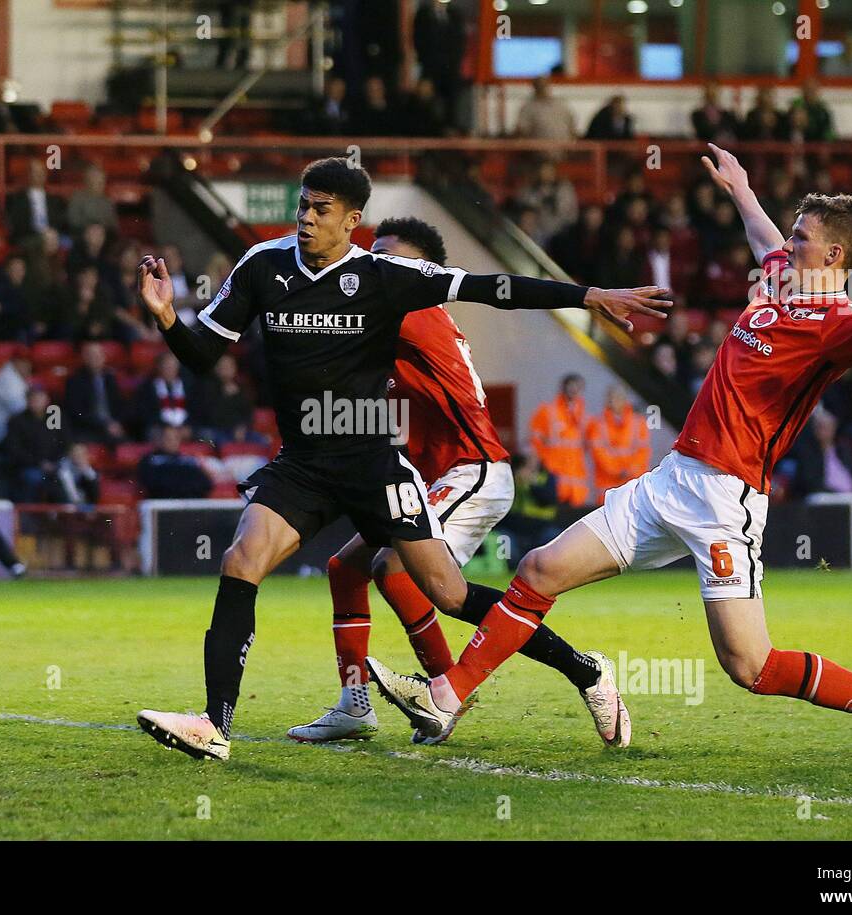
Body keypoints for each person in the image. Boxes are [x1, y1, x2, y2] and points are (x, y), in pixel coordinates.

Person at [368, 143, 852, 761]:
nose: (786, 244)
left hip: (725, 503)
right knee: (539, 570)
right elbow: (762, 232)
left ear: (834, 255)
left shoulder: (840, 324)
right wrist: (738, 186)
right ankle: (446, 699)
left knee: (751, 667)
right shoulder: (783, 277)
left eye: (801, 236)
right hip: (671, 479)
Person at [133, 156, 669, 760]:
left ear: (352, 221)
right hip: (304, 462)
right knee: (241, 560)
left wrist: (588, 295)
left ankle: (578, 671)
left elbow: (495, 288)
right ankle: (216, 723)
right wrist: (167, 319)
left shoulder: (386, 278)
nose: (305, 219)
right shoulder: (264, 266)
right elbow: (203, 354)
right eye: (302, 205)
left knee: (446, 592)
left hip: (373, 463)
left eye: (320, 210)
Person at [288, 218, 622, 746]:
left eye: (391, 260)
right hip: (423, 476)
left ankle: (568, 674)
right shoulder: (396, 318)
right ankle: (357, 706)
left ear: (423, 273)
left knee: (405, 575)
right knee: (346, 567)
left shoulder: (414, 312)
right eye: (375, 257)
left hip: (472, 470)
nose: (378, 269)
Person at [529, 373, 591, 506]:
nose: (574, 390)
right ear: (563, 387)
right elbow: (536, 441)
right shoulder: (547, 411)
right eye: (571, 386)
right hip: (554, 476)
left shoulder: (586, 417)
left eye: (578, 387)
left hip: (576, 483)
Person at [586, 384, 650, 503]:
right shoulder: (597, 424)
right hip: (607, 484)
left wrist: (629, 470)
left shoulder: (638, 423)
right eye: (610, 398)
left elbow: (643, 452)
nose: (612, 401)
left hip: (632, 482)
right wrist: (617, 470)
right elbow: (598, 453)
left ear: (624, 400)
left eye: (616, 397)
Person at [5, 386, 70, 502]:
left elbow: (64, 442)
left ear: (47, 400)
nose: (37, 402)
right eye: (33, 399)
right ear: (27, 401)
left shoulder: (54, 417)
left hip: (55, 463)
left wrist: (54, 462)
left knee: (68, 474)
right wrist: (40, 463)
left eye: (40, 398)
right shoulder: (18, 421)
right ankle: (30, 516)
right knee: (33, 478)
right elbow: (15, 451)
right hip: (30, 466)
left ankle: (69, 512)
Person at [64, 342, 128, 442]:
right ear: (84, 358)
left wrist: (117, 423)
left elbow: (119, 405)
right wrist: (103, 424)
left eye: (98, 355)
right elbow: (77, 412)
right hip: (88, 428)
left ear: (104, 357)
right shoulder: (74, 380)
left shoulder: (110, 378)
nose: (95, 358)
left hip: (112, 427)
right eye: (91, 355)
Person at [139, 424, 212, 499]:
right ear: (159, 439)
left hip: (189, 501)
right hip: (161, 502)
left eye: (176, 438)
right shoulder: (150, 460)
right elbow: (151, 483)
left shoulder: (188, 460)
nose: (172, 441)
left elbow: (205, 484)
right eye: (168, 438)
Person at [6, 160, 67, 248]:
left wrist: (51, 232)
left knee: (70, 242)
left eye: (42, 172)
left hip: (52, 235)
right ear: (29, 175)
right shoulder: (17, 199)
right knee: (47, 240)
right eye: (36, 172)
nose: (39, 175)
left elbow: (61, 221)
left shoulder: (55, 199)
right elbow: (17, 224)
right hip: (28, 236)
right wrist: (42, 234)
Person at [0, 347, 32, 449]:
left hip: (10, 432)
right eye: (24, 362)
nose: (28, 366)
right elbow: (21, 410)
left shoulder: (15, 376)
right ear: (16, 362)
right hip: (0, 435)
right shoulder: (7, 380)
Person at [514, 75, 576, 141]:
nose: (542, 88)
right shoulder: (562, 104)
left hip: (558, 149)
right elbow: (573, 131)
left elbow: (521, 132)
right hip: (561, 149)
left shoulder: (561, 105)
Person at [66, 163, 119, 236]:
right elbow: (74, 221)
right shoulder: (77, 198)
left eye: (102, 181)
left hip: (105, 237)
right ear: (88, 181)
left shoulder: (107, 201)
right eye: (97, 181)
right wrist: (94, 228)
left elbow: (113, 225)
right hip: (83, 236)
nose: (102, 184)